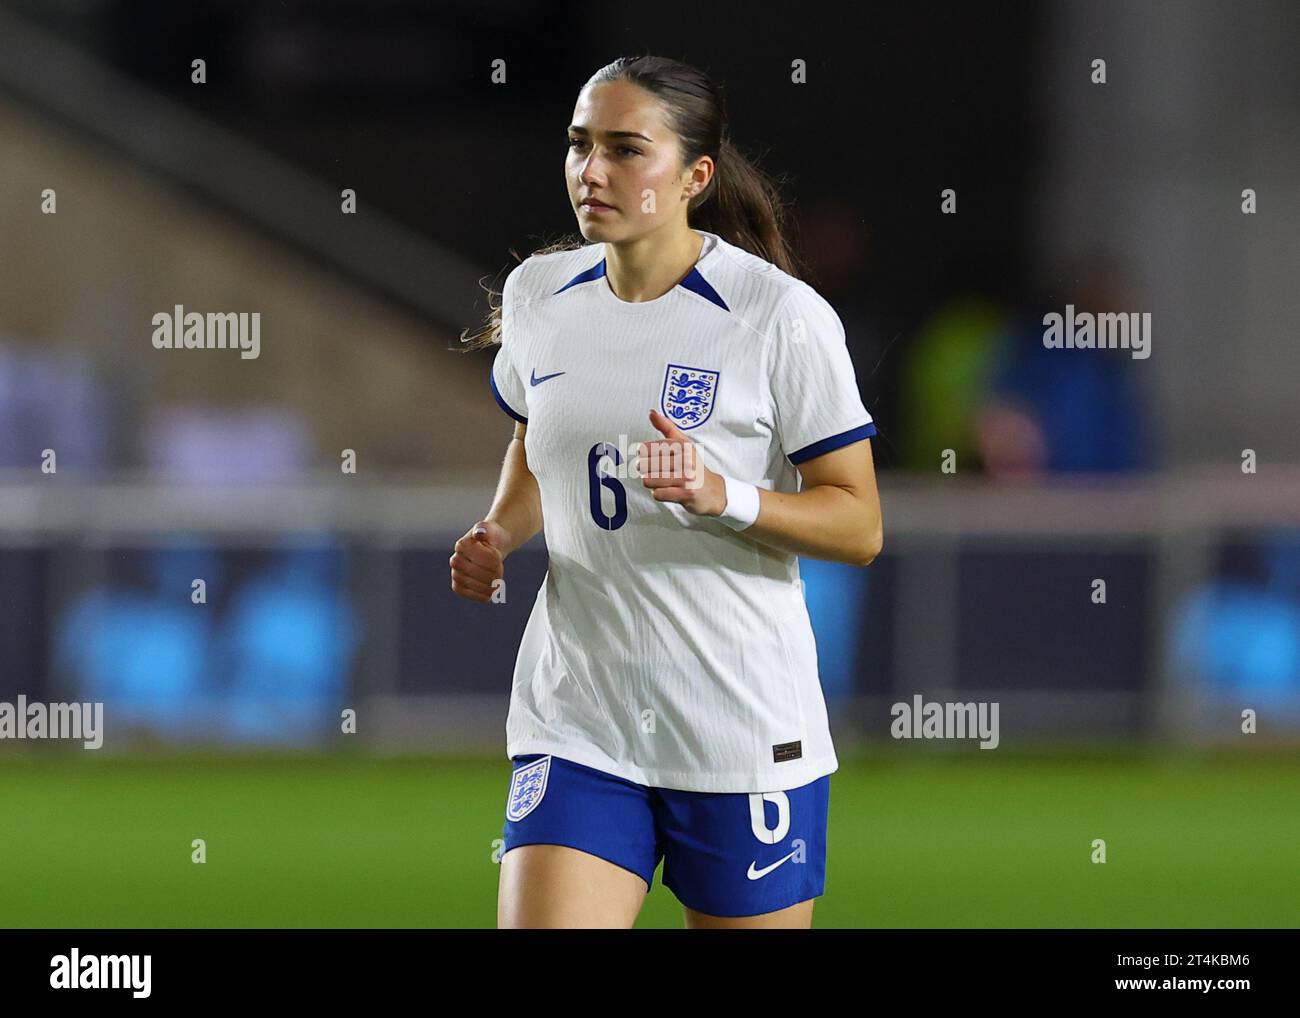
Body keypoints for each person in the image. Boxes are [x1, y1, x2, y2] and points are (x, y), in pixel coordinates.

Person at [453, 55, 883, 929]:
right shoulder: (540, 294)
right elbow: (535, 442)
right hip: (579, 718)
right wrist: (499, 530)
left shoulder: (780, 317)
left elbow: (859, 522)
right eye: (579, 144)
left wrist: (725, 494)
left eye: (625, 149)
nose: (592, 170)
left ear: (695, 176)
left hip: (738, 728)